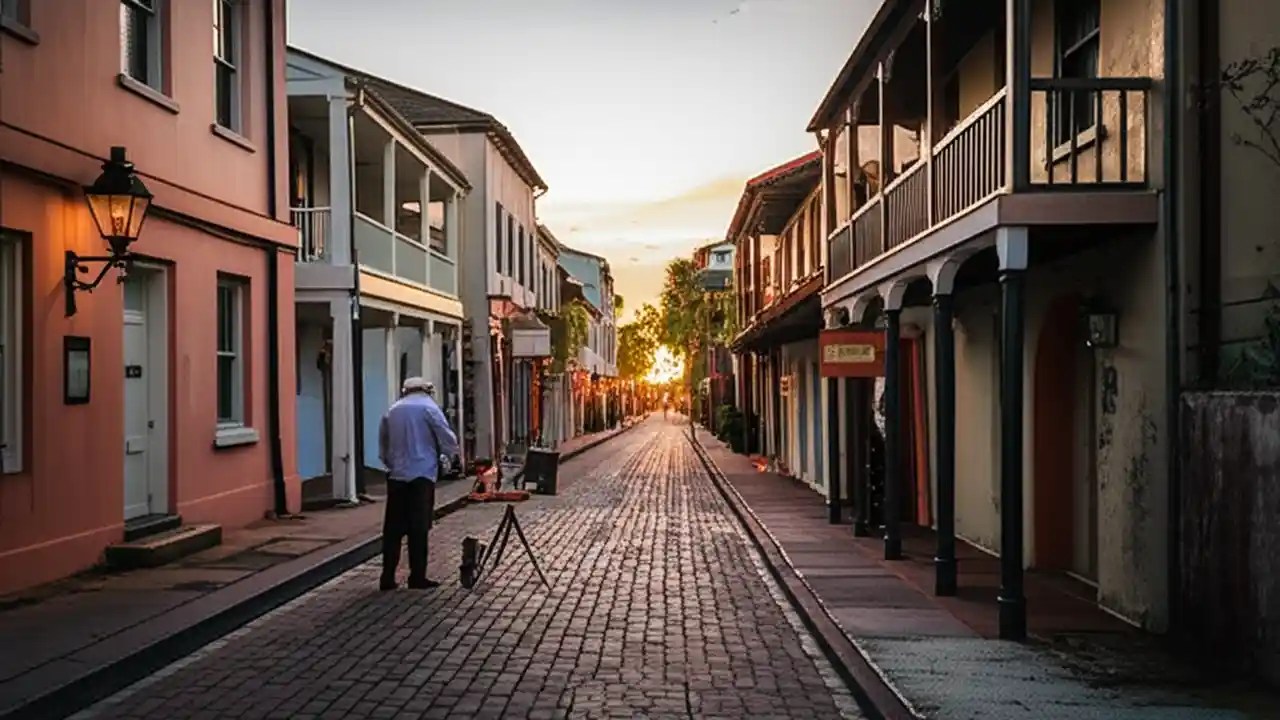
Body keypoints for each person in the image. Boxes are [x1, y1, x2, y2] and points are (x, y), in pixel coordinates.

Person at [378, 376, 459, 591]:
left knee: (393, 530)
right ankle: (417, 576)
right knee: (419, 528)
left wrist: (391, 463)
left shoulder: (393, 410)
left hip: (397, 476)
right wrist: (449, 456)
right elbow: (447, 438)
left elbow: (383, 444)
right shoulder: (429, 408)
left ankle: (387, 577)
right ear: (426, 390)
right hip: (422, 474)